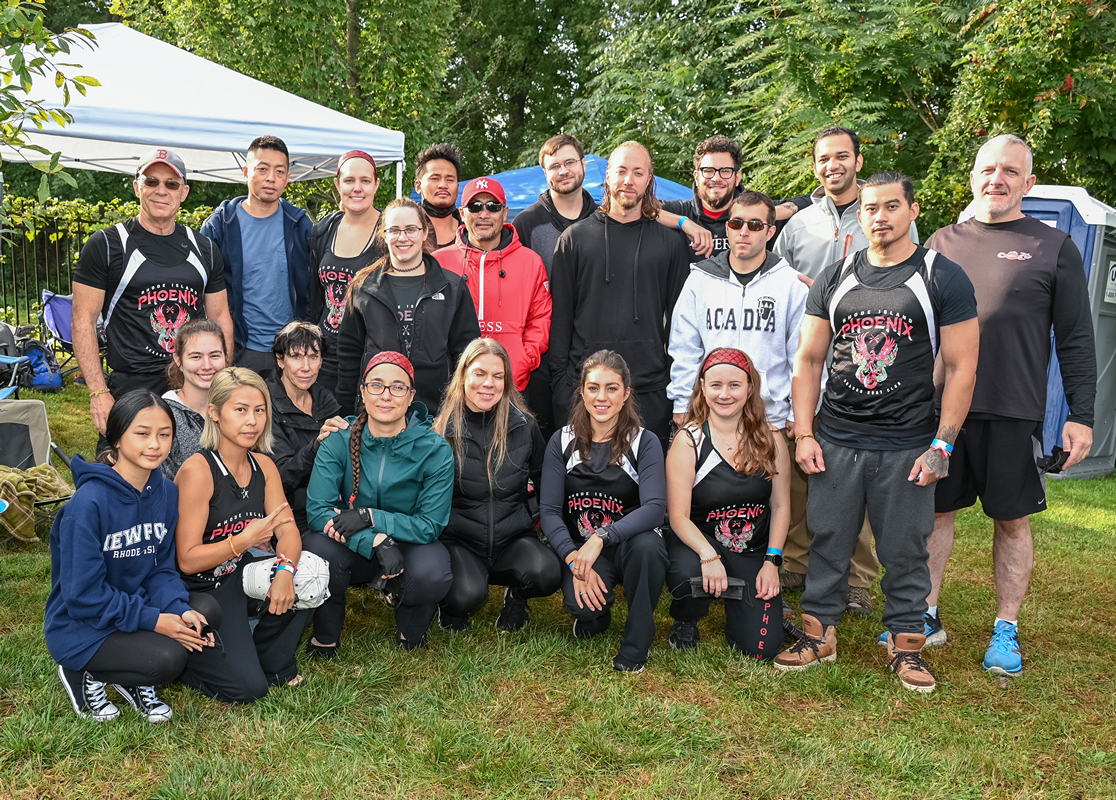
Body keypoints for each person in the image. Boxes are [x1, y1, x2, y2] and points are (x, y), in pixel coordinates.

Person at [775, 173, 979, 694]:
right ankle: (820, 634)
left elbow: (961, 368)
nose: (880, 217)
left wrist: (942, 444)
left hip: (909, 442)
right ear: (859, 214)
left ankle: (907, 644)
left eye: (892, 207)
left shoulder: (943, 277)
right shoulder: (836, 275)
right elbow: (809, 358)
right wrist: (804, 433)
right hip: (838, 437)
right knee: (828, 540)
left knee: (906, 547)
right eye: (870, 208)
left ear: (913, 210)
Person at [920, 134, 1097, 676]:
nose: (996, 179)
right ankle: (925, 614)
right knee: (936, 514)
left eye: (1009, 171)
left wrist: (1082, 415)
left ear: (1028, 183)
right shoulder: (940, 243)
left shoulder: (1053, 246)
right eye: (987, 169)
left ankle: (1006, 628)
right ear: (972, 176)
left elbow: (1075, 337)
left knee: (1012, 520)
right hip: (944, 410)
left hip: (1012, 408)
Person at [771, 126, 919, 616]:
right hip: (812, 356)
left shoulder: (884, 213)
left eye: (841, 157)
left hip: (872, 358)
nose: (831, 166)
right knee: (804, 464)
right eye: (822, 159)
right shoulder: (798, 226)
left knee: (856, 471)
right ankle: (797, 560)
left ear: (857, 160)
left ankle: (857, 577)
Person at [45, 391, 219, 722]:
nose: (155, 444)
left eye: (164, 434)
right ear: (117, 438)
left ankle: (132, 675)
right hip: (82, 624)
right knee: (167, 659)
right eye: (142, 433)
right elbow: (83, 596)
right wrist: (154, 621)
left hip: (132, 606)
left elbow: (162, 570)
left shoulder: (166, 493)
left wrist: (177, 610)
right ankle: (80, 671)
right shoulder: (87, 505)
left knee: (204, 612)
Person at [71, 148, 234, 438]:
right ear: (137, 187)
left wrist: (222, 381)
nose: (162, 190)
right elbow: (83, 319)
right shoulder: (108, 245)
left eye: (171, 184)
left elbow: (220, 317)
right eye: (151, 181)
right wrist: (98, 392)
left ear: (184, 192)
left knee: (197, 468)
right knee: (126, 471)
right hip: (133, 384)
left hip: (192, 380)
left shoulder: (205, 248)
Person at [303, 352, 455, 653]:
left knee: (433, 572)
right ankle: (326, 634)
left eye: (398, 387)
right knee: (317, 550)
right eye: (376, 385)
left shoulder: (435, 449)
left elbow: (431, 524)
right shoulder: (338, 438)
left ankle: (410, 627)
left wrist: (369, 516)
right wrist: (375, 541)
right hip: (353, 542)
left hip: (409, 541)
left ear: (411, 396)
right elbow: (317, 510)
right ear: (362, 391)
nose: (386, 395)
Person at [174, 367, 310, 703]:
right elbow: (187, 561)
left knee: (312, 573)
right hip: (204, 588)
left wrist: (286, 572)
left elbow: (288, 531)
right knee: (247, 689)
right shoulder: (198, 470)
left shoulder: (264, 465)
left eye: (259, 410)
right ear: (214, 413)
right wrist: (243, 540)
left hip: (244, 573)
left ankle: (271, 657)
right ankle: (183, 659)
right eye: (240, 410)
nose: (252, 421)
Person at [548, 141, 690, 447]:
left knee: (647, 489)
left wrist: (678, 389)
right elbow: (559, 319)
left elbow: (682, 325)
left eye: (638, 173)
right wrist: (562, 385)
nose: (629, 180)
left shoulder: (670, 243)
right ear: (607, 176)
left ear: (649, 181)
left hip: (650, 388)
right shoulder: (574, 240)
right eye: (622, 171)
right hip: (586, 389)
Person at [540, 350, 669, 673]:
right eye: (594, 387)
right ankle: (598, 614)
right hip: (584, 552)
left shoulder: (644, 441)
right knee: (584, 611)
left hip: (627, 547)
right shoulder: (562, 441)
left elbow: (654, 509)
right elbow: (550, 512)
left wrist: (602, 536)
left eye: (612, 388)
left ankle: (638, 641)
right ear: (582, 392)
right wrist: (573, 559)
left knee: (649, 546)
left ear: (626, 394)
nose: (602, 397)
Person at [665, 348, 790, 658]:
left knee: (761, 648)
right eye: (716, 385)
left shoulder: (771, 439)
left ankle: (750, 606)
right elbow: (677, 516)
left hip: (752, 551)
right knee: (686, 573)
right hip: (702, 544)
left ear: (750, 389)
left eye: (735, 385)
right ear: (703, 388)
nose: (725, 394)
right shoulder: (688, 440)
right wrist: (708, 555)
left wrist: (772, 562)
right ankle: (687, 617)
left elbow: (781, 506)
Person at [432, 339, 561, 632]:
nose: (488, 383)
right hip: (461, 540)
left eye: (498, 376)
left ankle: (515, 597)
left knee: (546, 573)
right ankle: (454, 600)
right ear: (463, 375)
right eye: (480, 373)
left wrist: (533, 516)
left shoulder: (523, 426)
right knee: (466, 596)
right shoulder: (441, 431)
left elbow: (546, 484)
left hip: (512, 539)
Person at [667, 190, 809, 436]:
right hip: (709, 418)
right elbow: (684, 347)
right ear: (728, 228)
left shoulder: (790, 284)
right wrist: (682, 400)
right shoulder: (700, 279)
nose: (744, 232)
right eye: (736, 223)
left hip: (770, 419)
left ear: (770, 232)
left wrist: (799, 413)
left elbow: (802, 357)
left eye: (755, 225)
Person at [334, 198, 480, 415]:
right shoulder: (364, 288)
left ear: (424, 232)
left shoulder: (452, 288)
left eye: (411, 229)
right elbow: (349, 356)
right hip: (377, 413)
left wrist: (461, 412)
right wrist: (347, 415)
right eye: (394, 230)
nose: (403, 237)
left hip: (436, 413)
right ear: (384, 234)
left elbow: (467, 355)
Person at [201, 135, 313, 379]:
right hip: (240, 350)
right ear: (245, 172)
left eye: (279, 171)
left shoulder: (301, 226)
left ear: (288, 178)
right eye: (262, 169)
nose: (271, 177)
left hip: (291, 352)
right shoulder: (220, 226)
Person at [513, 134, 597, 440]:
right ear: (545, 173)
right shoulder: (526, 224)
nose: (563, 171)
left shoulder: (604, 218)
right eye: (554, 166)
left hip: (594, 350)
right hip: (542, 357)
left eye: (569, 162)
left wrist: (684, 223)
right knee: (546, 444)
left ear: (583, 165)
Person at [436, 177, 552, 393]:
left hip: (511, 384)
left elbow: (540, 321)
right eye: (475, 206)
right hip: (453, 386)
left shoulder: (530, 261)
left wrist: (522, 362)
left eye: (492, 206)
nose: (484, 214)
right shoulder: (438, 262)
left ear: (505, 213)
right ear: (462, 213)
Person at [307, 150, 386, 398]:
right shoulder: (324, 230)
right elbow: (314, 298)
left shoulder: (389, 232)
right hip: (324, 356)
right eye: (349, 180)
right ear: (337, 184)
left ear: (376, 185)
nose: (357, 188)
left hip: (369, 358)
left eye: (365, 180)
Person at [656, 135, 810, 259]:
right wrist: (683, 222)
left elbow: (813, 200)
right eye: (708, 170)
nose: (716, 178)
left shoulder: (759, 214)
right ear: (696, 177)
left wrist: (769, 214)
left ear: (737, 177)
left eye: (725, 171)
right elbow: (639, 207)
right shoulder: (678, 211)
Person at [266, 321, 348, 534]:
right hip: (291, 515)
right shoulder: (264, 405)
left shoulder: (325, 399)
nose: (306, 367)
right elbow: (281, 478)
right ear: (280, 360)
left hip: (332, 506)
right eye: (296, 357)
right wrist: (316, 446)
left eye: (313, 357)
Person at [160, 319, 229, 479]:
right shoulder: (163, 416)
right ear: (179, 361)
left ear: (226, 357)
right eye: (196, 356)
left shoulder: (238, 408)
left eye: (214, 355)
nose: (206, 365)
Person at [414, 143, 464, 250]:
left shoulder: (470, 233)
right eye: (435, 178)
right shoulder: (405, 230)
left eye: (450, 179)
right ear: (418, 186)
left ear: (457, 186)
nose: (443, 185)